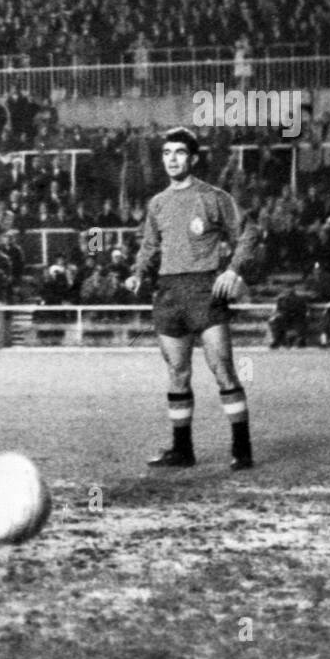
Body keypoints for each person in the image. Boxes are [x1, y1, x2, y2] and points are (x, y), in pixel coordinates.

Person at [125, 127, 258, 470]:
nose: (172, 158)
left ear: (193, 159)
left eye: (179, 153)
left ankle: (242, 450)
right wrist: (138, 272)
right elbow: (150, 245)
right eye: (167, 152)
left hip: (205, 289)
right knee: (177, 373)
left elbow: (248, 233)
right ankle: (182, 450)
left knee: (222, 368)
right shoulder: (157, 203)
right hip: (168, 292)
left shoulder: (213, 197)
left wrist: (233, 270)